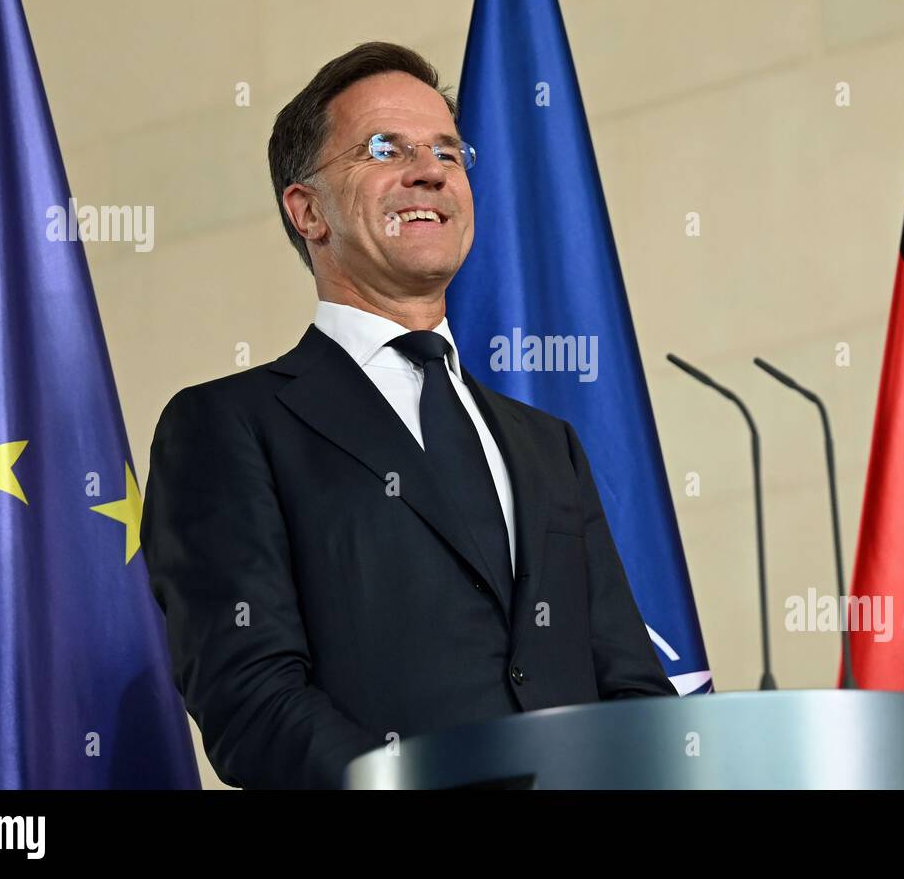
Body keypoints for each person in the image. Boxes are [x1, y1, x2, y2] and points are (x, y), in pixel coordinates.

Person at [141, 41, 676, 790]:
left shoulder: (547, 444)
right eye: (386, 149)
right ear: (308, 212)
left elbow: (633, 693)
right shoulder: (229, 428)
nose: (430, 170)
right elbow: (252, 703)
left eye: (449, 153)